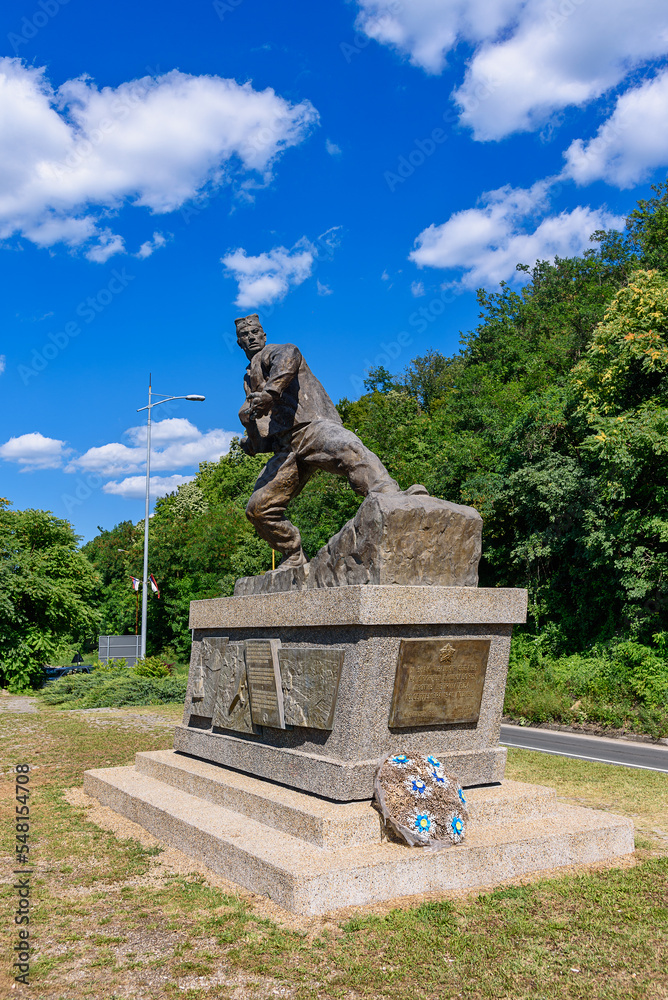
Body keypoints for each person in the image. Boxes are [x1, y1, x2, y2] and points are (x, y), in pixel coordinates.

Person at [236, 314, 402, 568]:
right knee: (258, 509)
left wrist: (270, 393)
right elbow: (262, 426)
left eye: (255, 332)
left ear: (264, 335)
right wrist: (251, 437)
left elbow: (290, 354)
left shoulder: (275, 352)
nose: (251, 338)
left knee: (348, 449)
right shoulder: (248, 379)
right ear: (239, 343)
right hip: (285, 448)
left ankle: (391, 498)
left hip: (310, 426)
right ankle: (293, 554)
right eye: (245, 336)